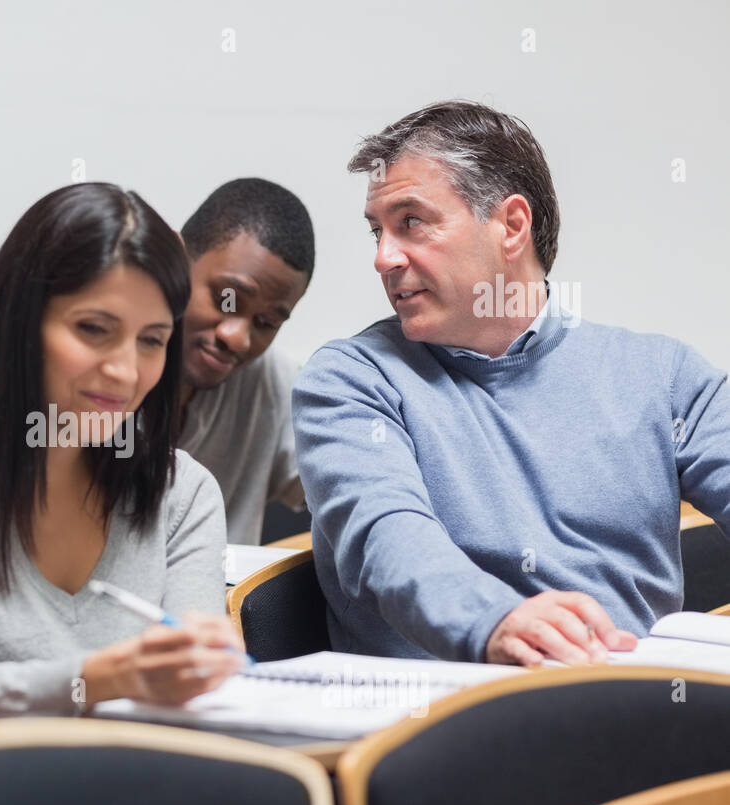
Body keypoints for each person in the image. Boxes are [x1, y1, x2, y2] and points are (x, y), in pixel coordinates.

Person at [290, 99, 730, 666]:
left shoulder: (663, 376)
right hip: (441, 729)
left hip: (632, 712)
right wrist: (495, 621)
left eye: (411, 223)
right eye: (378, 230)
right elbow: (387, 538)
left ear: (512, 226)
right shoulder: (350, 380)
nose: (383, 257)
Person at [0, 182, 245, 734]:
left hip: (123, 799)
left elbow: (197, 706)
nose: (125, 371)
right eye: (94, 330)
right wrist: (113, 676)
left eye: (152, 340)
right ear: (20, 322)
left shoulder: (183, 493)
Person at [178, 178, 314, 545]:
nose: (237, 337)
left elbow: (361, 497)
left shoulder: (272, 383)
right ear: (174, 260)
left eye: (266, 323)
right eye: (227, 299)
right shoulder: (102, 376)